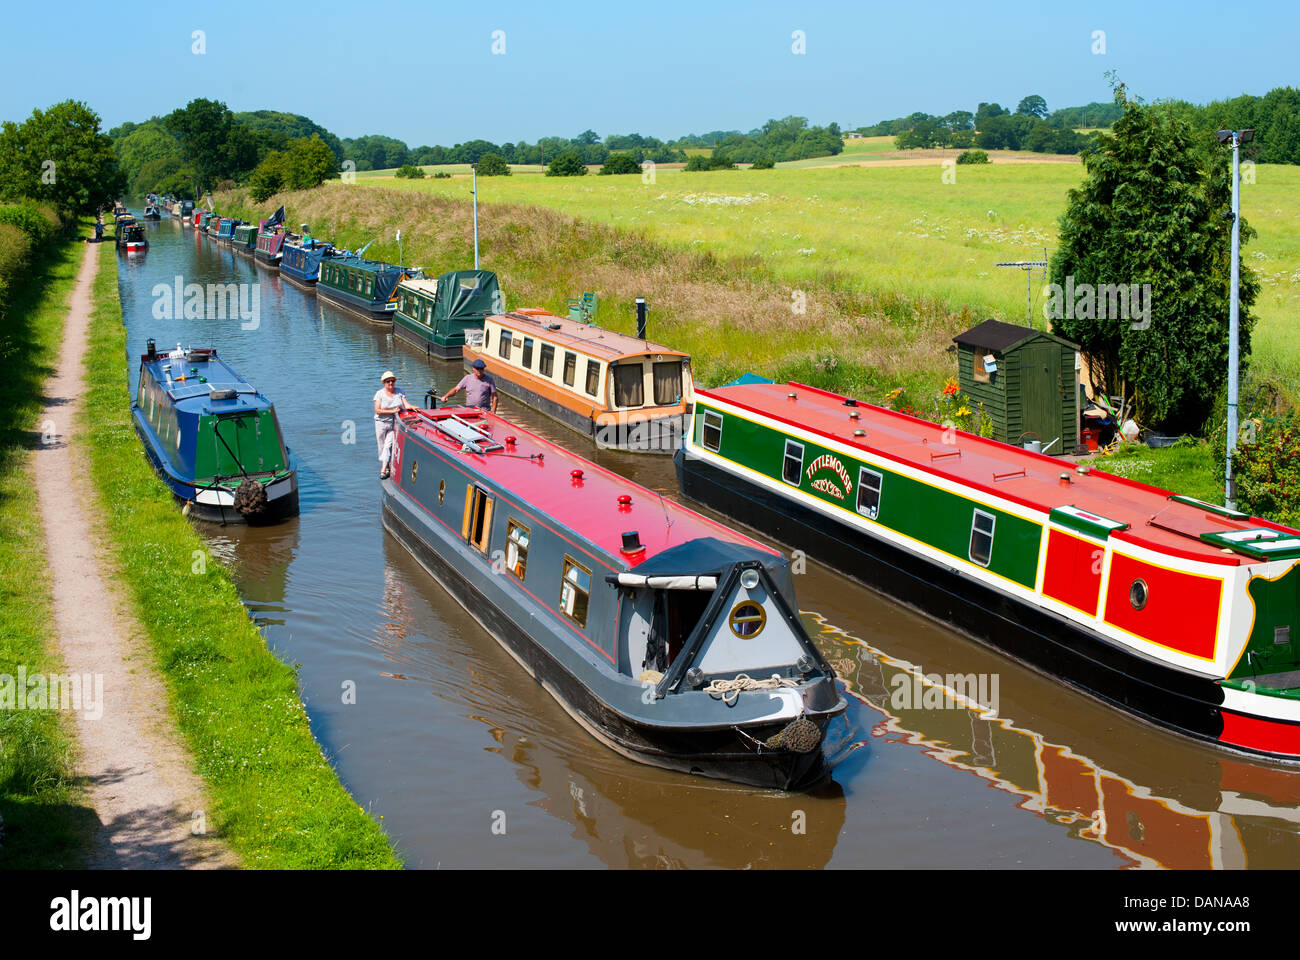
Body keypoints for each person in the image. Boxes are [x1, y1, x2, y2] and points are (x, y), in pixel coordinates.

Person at [374, 371, 417, 479]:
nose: (390, 383)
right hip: (381, 423)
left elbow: (406, 405)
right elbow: (377, 410)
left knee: (388, 445)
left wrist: (413, 407)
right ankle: (387, 466)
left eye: (392, 381)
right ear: (384, 382)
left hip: (394, 423)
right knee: (382, 446)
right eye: (388, 381)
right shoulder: (379, 394)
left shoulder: (399, 392)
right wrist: (393, 411)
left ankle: (383, 469)